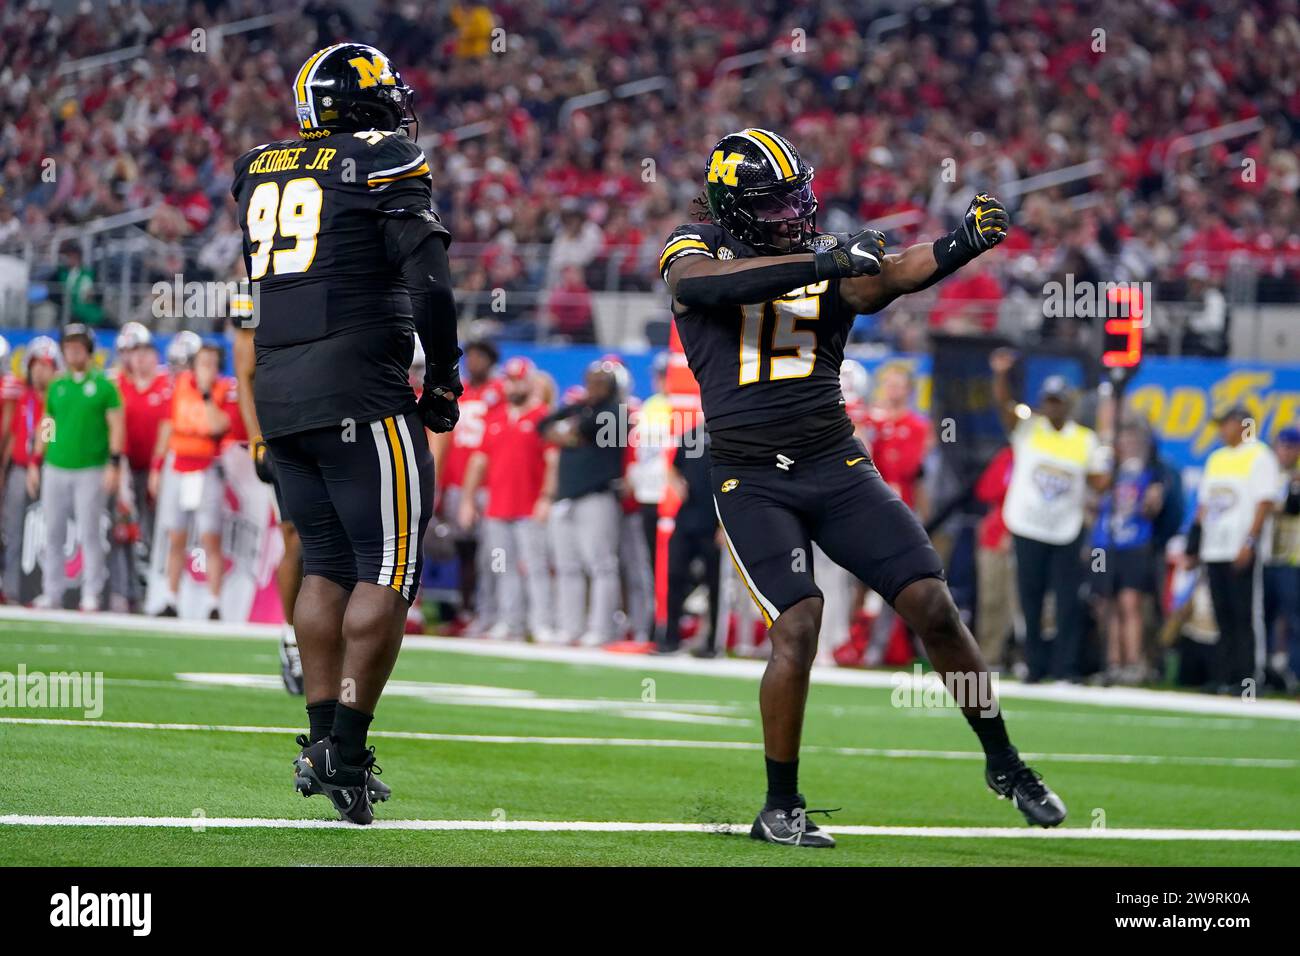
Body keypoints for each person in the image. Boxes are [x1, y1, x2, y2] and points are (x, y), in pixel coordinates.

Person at [661, 129, 1065, 847]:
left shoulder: (827, 253)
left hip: (834, 464)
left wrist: (962, 243)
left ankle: (1004, 760)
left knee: (933, 606)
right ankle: (780, 806)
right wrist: (818, 258)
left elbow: (894, 274)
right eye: (775, 201)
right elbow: (700, 286)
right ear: (735, 206)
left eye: (796, 195)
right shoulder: (698, 247)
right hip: (751, 476)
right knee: (800, 623)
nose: (794, 210)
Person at [231, 42, 461, 824]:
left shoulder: (259, 167)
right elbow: (430, 278)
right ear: (367, 103)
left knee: (326, 565)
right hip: (359, 386)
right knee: (390, 569)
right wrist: (444, 378)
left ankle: (323, 741)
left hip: (283, 393)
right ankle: (349, 747)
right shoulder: (386, 156)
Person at [992, 359, 1111, 682]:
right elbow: (1004, 406)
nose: (1053, 407)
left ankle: (1066, 667)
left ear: (1068, 404)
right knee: (1030, 600)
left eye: (1058, 401)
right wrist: (1001, 374)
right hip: (1027, 525)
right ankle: (1034, 665)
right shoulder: (1029, 429)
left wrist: (1108, 461)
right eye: (1048, 400)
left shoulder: (1084, 439)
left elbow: (1101, 482)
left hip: (1065, 529)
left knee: (1067, 601)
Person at [28, 324, 125, 612]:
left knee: (89, 532)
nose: (73, 350)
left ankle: (91, 592)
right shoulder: (57, 385)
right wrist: (37, 460)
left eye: (79, 346)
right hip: (56, 466)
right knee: (53, 531)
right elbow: (49, 423)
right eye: (69, 346)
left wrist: (114, 463)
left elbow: (116, 426)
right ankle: (51, 591)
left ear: (89, 350)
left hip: (90, 468)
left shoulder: (104, 386)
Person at [458, 356, 555, 642]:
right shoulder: (495, 418)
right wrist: (467, 499)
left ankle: (541, 623)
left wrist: (546, 497)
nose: (514, 385)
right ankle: (508, 620)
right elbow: (478, 461)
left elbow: (552, 460)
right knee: (502, 567)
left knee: (535, 567)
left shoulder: (541, 417)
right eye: (510, 380)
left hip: (528, 504)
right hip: (497, 506)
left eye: (519, 380)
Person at [234, 314, 305, 693]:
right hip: (284, 433)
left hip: (331, 421)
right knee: (297, 537)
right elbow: (245, 367)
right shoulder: (262, 281)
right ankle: (292, 636)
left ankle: (329, 634)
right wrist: (256, 436)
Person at [1187, 405, 1278, 694]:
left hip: (1241, 548)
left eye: (1226, 424)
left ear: (1242, 425)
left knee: (1246, 614)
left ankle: (1250, 678)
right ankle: (1226, 676)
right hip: (1215, 548)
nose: (1221, 430)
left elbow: (1264, 503)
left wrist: (1250, 542)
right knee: (1222, 614)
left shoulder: (1259, 456)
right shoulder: (1216, 458)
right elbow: (1204, 504)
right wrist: (1195, 542)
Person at [539, 360, 625, 646]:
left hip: (596, 496)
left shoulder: (616, 412)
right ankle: (570, 627)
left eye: (600, 382)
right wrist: (569, 426)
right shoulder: (579, 408)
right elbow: (543, 426)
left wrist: (568, 434)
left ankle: (601, 629)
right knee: (567, 565)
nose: (593, 388)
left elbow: (584, 431)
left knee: (601, 565)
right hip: (566, 498)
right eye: (590, 381)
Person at [148, 342, 232, 619]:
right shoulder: (180, 384)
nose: (206, 366)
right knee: (176, 536)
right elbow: (168, 425)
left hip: (206, 465)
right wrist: (157, 466)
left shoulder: (223, 389)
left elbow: (219, 425)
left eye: (211, 362)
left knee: (210, 538)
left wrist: (207, 394)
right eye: (202, 361)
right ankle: (171, 598)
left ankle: (214, 603)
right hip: (179, 463)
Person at [435, 338, 503, 634]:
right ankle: (464, 610)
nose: (473, 362)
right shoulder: (458, 392)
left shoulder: (500, 392)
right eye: (470, 357)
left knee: (488, 551)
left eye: (479, 356)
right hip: (456, 481)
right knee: (461, 548)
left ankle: (486, 610)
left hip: (487, 484)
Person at [1092, 420, 1165, 685]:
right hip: (1104, 544)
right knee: (1106, 605)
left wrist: (1151, 500)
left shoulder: (1152, 473)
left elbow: (1153, 509)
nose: (1129, 445)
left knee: (1130, 603)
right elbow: (1092, 502)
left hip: (1134, 544)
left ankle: (1133, 663)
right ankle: (1112, 662)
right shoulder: (1107, 472)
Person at [110, 322, 172, 613]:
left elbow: (167, 427)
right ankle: (125, 591)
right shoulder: (114, 384)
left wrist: (158, 468)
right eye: (127, 351)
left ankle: (158, 591)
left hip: (155, 468)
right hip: (122, 466)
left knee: (156, 530)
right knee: (123, 530)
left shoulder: (165, 383)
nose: (133, 357)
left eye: (138, 350)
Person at [1, 336, 58, 604]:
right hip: (20, 468)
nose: (39, 371)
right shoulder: (22, 397)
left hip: (47, 470)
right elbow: (11, 435)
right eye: (35, 365)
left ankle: (39, 588)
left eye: (45, 365)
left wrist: (38, 460)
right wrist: (4, 467)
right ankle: (11, 588)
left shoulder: (56, 399)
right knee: (13, 530)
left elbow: (49, 437)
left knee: (45, 531)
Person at [659, 423, 721, 655]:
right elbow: (673, 467)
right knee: (674, 576)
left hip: (714, 522)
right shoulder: (691, 435)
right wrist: (677, 484)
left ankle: (712, 642)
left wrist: (725, 525)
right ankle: (669, 638)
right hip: (686, 518)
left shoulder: (730, 433)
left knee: (715, 584)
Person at [1264, 427, 1300, 685]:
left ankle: (1296, 673)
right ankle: (1264, 673)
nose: (1286, 451)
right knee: (1263, 617)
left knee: (1293, 618)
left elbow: (1291, 507)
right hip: (1266, 558)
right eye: (1282, 445)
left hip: (1292, 559)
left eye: (1291, 446)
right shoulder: (1269, 475)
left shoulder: (1295, 477)